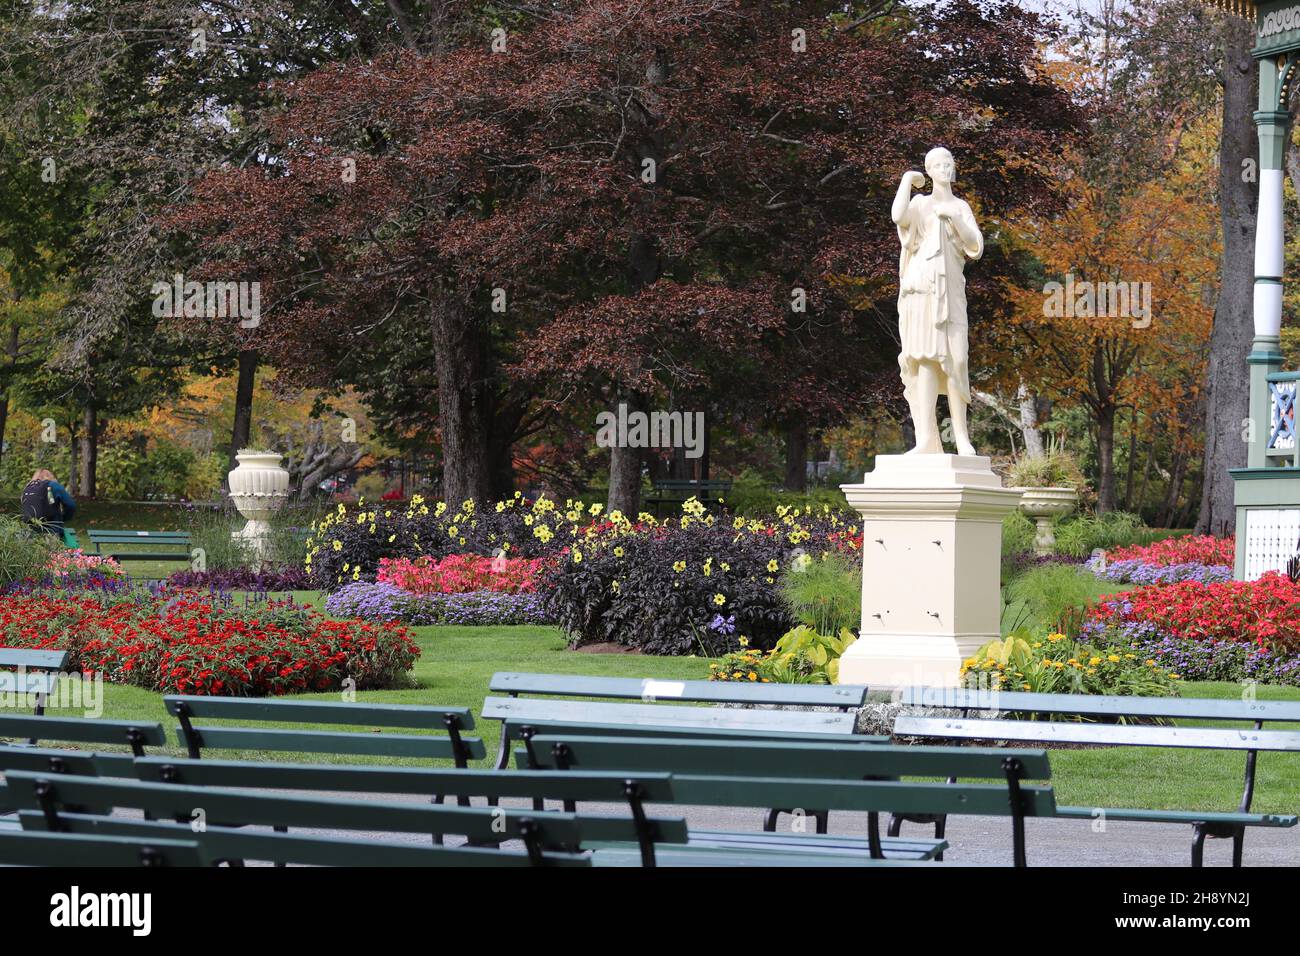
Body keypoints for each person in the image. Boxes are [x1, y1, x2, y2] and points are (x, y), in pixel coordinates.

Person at [892, 146, 984, 456]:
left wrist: (954, 219)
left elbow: (976, 246)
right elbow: (898, 216)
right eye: (938, 164)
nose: (945, 168)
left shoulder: (960, 206)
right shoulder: (920, 204)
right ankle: (927, 440)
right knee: (927, 360)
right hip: (922, 287)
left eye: (948, 163)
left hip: (951, 290)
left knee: (957, 360)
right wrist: (906, 179)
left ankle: (961, 437)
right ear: (929, 170)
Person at [21, 469, 77, 539]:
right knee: (52, 550)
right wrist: (63, 518)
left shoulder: (28, 488)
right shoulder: (54, 486)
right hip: (51, 532)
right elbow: (71, 505)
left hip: (29, 533)